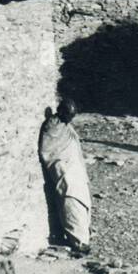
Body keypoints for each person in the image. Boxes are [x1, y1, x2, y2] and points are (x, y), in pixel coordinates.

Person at [39, 98, 92, 255]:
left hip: (74, 168)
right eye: (68, 114)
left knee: (82, 198)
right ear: (61, 111)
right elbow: (49, 149)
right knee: (70, 196)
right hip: (63, 167)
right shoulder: (52, 126)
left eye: (72, 115)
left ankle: (84, 237)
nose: (70, 118)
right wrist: (63, 165)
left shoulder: (66, 127)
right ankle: (78, 240)